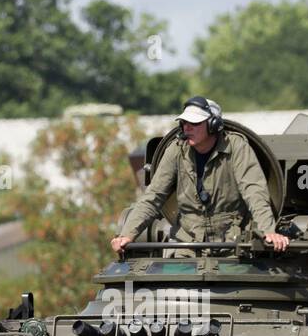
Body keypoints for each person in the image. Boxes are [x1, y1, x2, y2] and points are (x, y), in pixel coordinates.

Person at [110, 97, 289, 255]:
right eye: (184, 123)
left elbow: (253, 190)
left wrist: (268, 231)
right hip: (186, 243)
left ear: (213, 125)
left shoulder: (236, 147)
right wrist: (127, 235)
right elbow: (153, 196)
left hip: (232, 244)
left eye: (195, 123)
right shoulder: (176, 150)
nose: (187, 128)